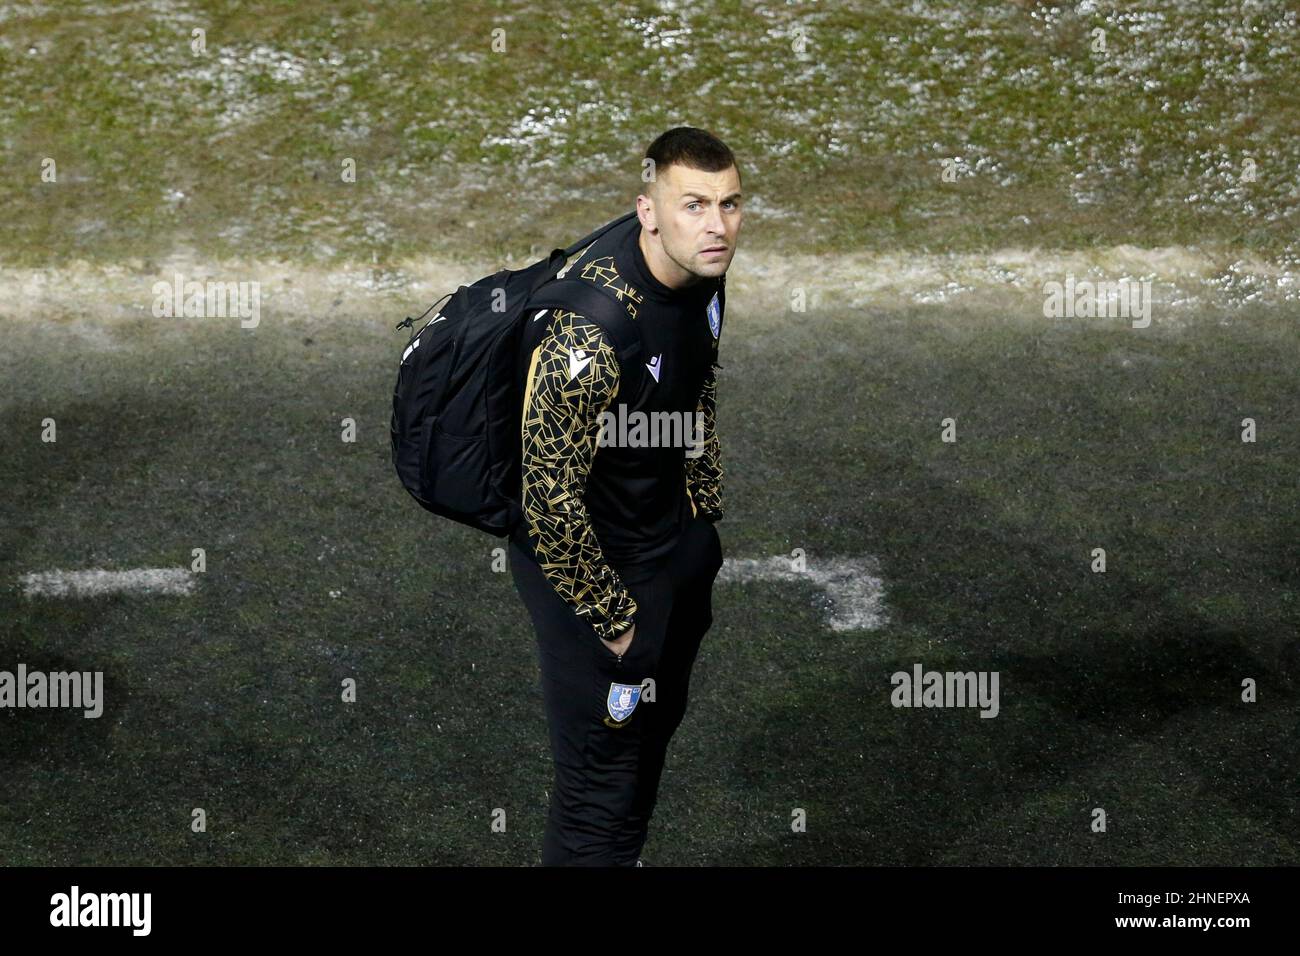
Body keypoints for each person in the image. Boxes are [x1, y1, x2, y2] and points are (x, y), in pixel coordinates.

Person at [508, 126, 743, 865]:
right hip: (598, 579)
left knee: (644, 753)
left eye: (730, 205)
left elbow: (696, 381)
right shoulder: (592, 329)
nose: (716, 227)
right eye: (694, 205)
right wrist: (613, 622)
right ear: (647, 211)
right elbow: (547, 496)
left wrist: (701, 517)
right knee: (597, 793)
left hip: (669, 548)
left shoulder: (702, 269)